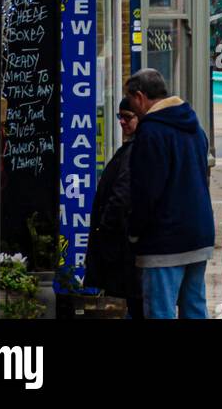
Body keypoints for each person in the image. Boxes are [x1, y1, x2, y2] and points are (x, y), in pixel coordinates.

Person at [125, 68, 215, 319]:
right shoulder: (194, 126)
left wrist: (134, 232)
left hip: (165, 240)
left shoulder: (151, 131)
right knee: (195, 307)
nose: (131, 106)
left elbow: (146, 190)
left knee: (160, 311)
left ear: (140, 97)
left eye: (130, 100)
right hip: (199, 233)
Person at [85, 98, 142, 317]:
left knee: (131, 304)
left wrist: (104, 228)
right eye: (120, 117)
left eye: (128, 117)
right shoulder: (130, 149)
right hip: (120, 247)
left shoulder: (134, 151)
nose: (122, 122)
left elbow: (121, 197)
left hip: (121, 247)